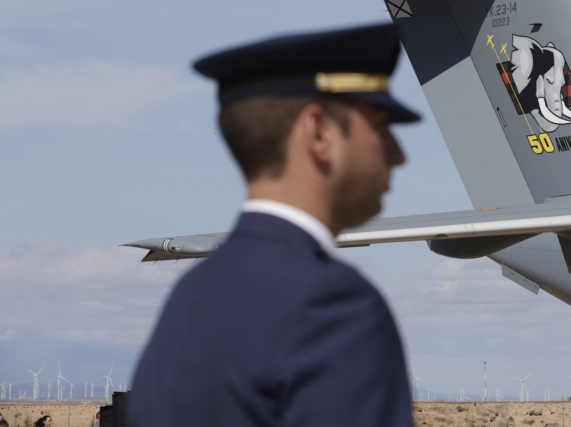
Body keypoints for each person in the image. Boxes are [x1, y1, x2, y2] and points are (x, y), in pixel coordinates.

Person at [130, 23, 420, 427]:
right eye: (380, 126)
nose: (398, 154)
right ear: (318, 131)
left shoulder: (191, 297)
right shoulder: (332, 304)